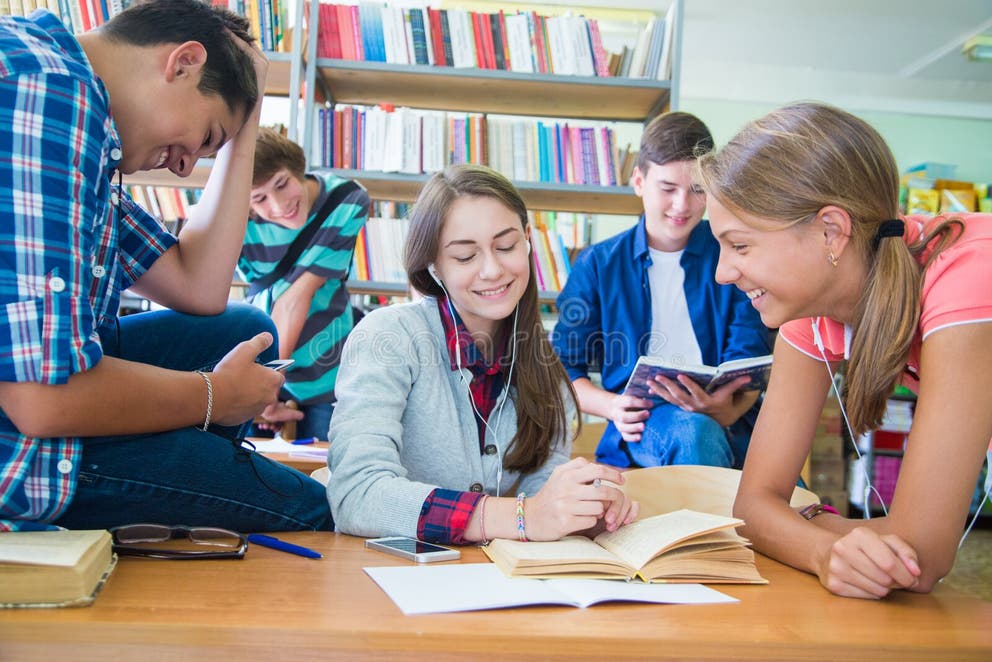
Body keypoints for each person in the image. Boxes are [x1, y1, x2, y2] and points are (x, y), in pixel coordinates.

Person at [0, 0, 332, 532]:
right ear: (183, 63)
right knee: (309, 508)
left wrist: (243, 121)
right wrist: (214, 397)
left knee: (243, 330)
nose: (183, 169)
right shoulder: (50, 96)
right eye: (205, 140)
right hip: (19, 442)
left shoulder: (77, 104)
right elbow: (42, 400)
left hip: (36, 391)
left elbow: (199, 287)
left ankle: (182, 474)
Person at [698, 101, 992, 599]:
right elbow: (752, 506)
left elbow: (918, 554)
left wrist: (797, 525)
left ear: (831, 231)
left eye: (740, 246)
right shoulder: (810, 310)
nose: (722, 273)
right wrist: (820, 549)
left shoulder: (970, 280)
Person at [327, 164, 637, 544]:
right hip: (389, 584)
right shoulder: (389, 338)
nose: (492, 270)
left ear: (527, 240)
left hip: (495, 585)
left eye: (506, 246)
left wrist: (583, 509)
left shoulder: (548, 374)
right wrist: (524, 517)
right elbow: (356, 495)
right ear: (433, 265)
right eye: (464, 256)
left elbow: (541, 502)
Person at [552, 112, 770, 470]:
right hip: (646, 421)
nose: (682, 205)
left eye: (698, 190)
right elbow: (561, 367)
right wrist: (611, 407)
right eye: (668, 189)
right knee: (695, 434)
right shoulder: (598, 264)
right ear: (639, 180)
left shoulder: (733, 257)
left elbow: (749, 359)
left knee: (794, 495)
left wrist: (727, 410)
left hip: (735, 420)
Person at [238, 127, 370, 440]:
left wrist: (267, 382)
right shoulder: (236, 217)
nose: (279, 205)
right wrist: (260, 387)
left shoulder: (345, 200)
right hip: (258, 364)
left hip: (328, 373)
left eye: (282, 184)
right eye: (260, 198)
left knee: (327, 474)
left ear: (297, 168)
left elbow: (296, 297)